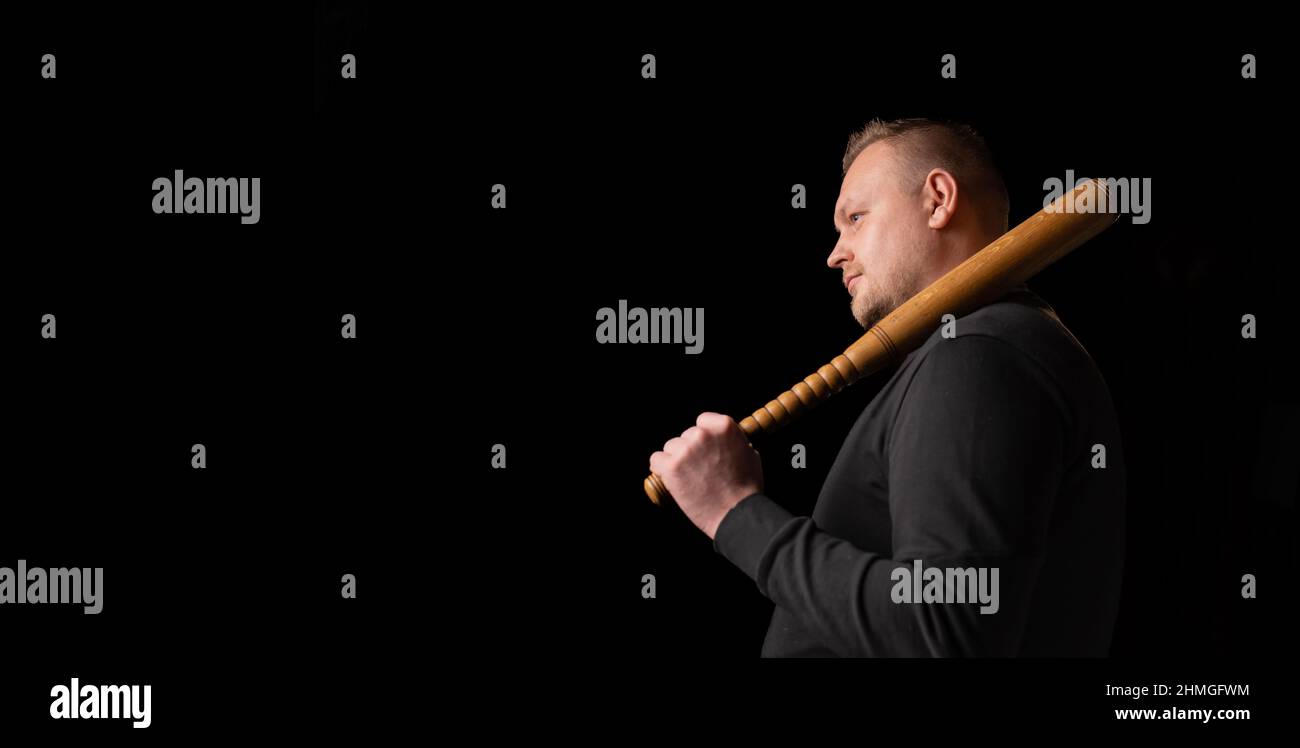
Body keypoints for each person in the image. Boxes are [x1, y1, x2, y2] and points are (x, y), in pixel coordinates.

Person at [649, 118, 1126, 656]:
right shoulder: (991, 348)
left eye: (855, 218)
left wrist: (734, 514)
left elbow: (944, 630)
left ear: (939, 199)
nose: (835, 253)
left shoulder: (978, 356)